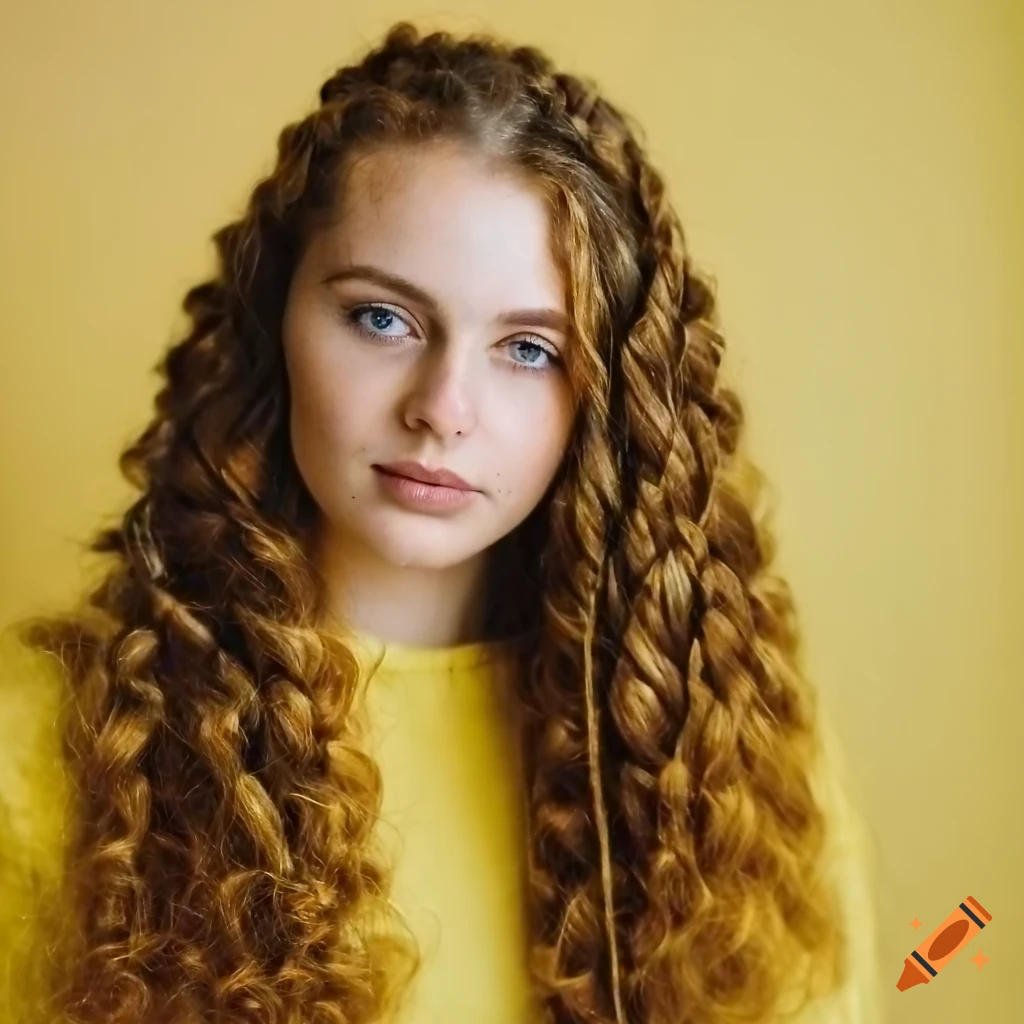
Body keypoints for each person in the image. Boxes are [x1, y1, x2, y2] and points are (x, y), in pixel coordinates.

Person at [0, 20, 883, 1024]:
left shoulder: (722, 752)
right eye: (384, 318)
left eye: (527, 350)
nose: (442, 407)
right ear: (274, 316)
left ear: (607, 396)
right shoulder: (45, 745)